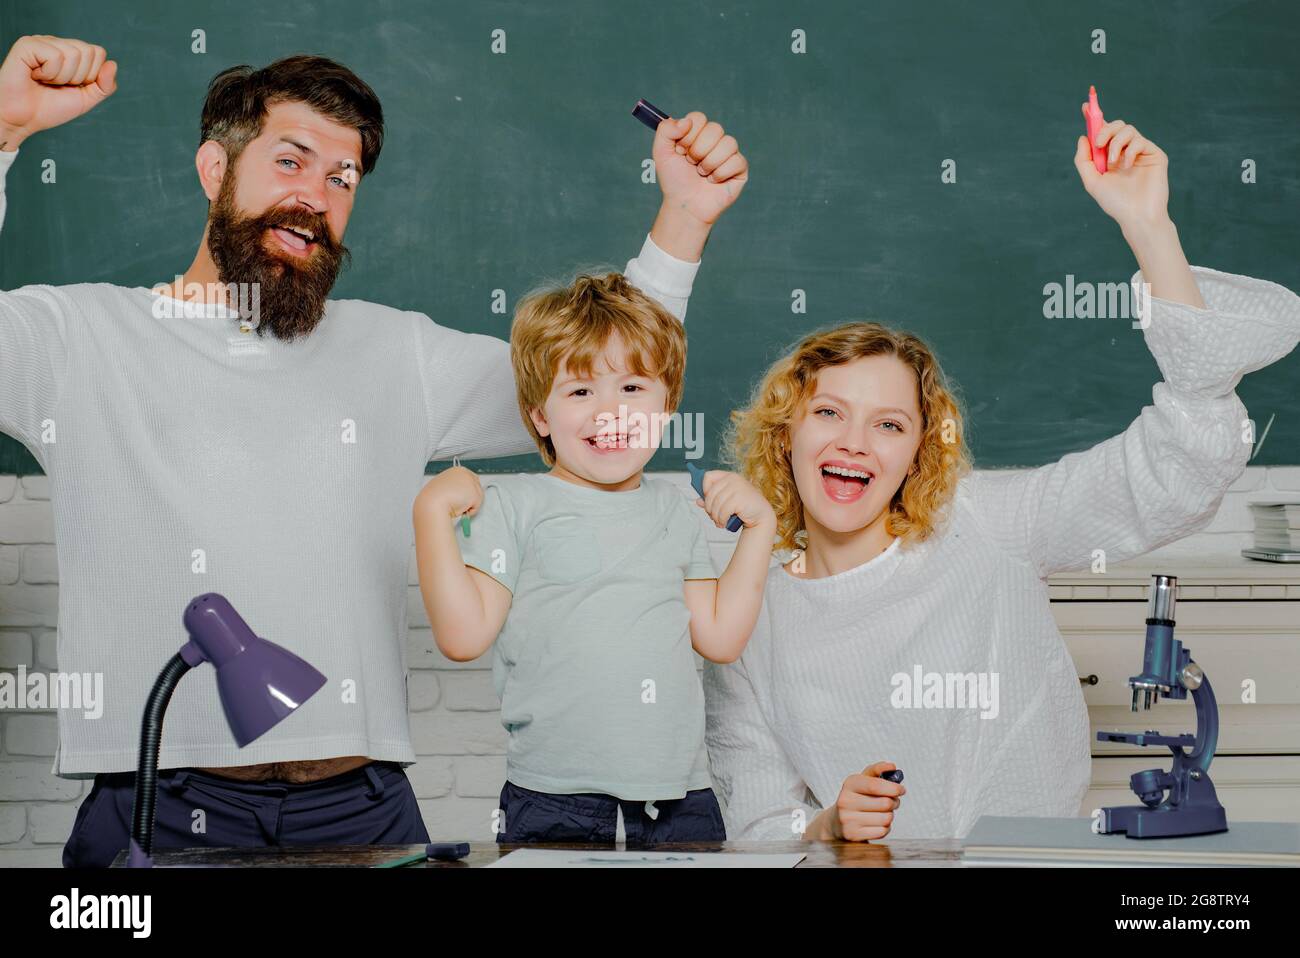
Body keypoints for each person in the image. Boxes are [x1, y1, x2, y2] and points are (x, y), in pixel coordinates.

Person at [0, 34, 746, 865]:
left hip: (363, 806)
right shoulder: (78, 340)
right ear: (215, 171)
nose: (315, 196)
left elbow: (600, 380)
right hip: (155, 802)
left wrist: (682, 218)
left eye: (341, 178)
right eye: (291, 161)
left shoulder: (397, 353)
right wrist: (0, 136)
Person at [703, 105, 1300, 842]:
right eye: (828, 414)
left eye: (888, 424)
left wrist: (1151, 229)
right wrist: (826, 825)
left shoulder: (986, 525)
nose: (855, 442)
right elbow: (758, 826)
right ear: (785, 434)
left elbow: (1181, 468)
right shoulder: (745, 612)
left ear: (919, 453)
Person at [412, 268, 772, 844]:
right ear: (539, 416)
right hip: (554, 800)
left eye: (632, 388)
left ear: (668, 404)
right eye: (580, 391)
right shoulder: (513, 505)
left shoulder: (678, 511)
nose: (611, 410)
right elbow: (462, 637)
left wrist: (759, 530)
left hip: (680, 798)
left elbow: (721, 639)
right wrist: (431, 513)